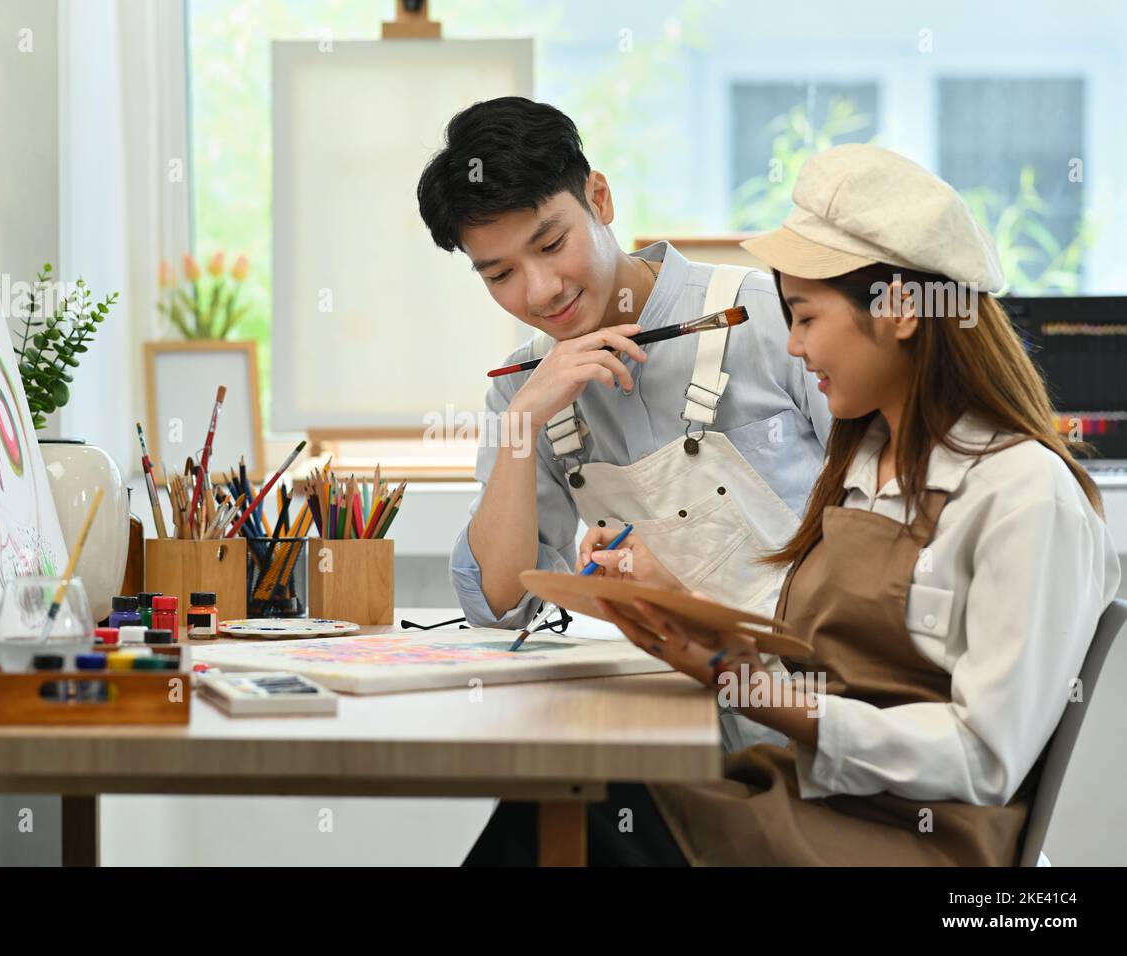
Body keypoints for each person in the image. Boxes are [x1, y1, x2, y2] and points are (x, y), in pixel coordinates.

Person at [465, 143, 1121, 866]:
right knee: (571, 794)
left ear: (902, 310)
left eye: (804, 317)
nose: (795, 347)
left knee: (590, 814)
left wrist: (751, 688)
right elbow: (835, 668)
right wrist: (701, 636)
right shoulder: (869, 470)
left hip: (913, 841)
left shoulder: (1027, 497)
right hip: (816, 797)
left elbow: (985, 762)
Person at [416, 97, 831, 654]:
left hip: (824, 688)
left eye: (552, 244)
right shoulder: (524, 386)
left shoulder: (766, 315)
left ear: (599, 199)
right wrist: (521, 423)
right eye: (501, 274)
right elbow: (499, 607)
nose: (541, 291)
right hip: (667, 700)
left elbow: (891, 533)